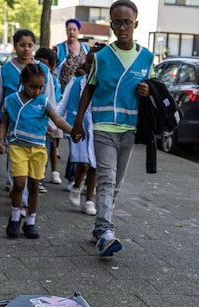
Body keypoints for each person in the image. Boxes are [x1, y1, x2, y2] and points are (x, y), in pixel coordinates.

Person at [72, 0, 152, 257]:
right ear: (111, 25)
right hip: (104, 126)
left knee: (116, 183)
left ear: (136, 24)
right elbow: (89, 88)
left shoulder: (147, 57)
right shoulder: (102, 57)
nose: (122, 27)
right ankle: (107, 232)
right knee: (106, 179)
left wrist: (148, 90)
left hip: (129, 128)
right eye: (117, 22)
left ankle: (99, 228)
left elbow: (156, 89)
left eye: (127, 22)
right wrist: (78, 123)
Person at [0, 63, 76, 240]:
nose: (37, 91)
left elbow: (57, 120)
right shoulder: (11, 100)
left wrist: (73, 131)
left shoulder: (44, 102)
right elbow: (4, 122)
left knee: (34, 186)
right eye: (33, 87)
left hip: (38, 149)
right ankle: (15, 217)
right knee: (18, 184)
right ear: (22, 82)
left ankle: (30, 221)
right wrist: (1, 140)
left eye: (41, 87)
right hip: (17, 147)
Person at [0, 30, 55, 197]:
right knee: (14, 153)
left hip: (36, 125)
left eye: (30, 45)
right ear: (15, 46)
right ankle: (16, 188)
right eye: (22, 45)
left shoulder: (43, 70)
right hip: (12, 124)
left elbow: (50, 98)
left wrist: (51, 125)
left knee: (34, 160)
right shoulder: (4, 71)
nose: (26, 49)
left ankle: (28, 190)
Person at [57, 57, 96, 216]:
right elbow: (63, 104)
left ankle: (89, 201)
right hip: (78, 126)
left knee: (95, 165)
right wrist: (53, 122)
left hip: (97, 126)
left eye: (95, 63)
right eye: (89, 62)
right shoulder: (76, 82)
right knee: (84, 163)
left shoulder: (105, 83)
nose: (91, 65)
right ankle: (77, 186)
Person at [34, 47, 63, 187]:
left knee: (48, 149)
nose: (40, 66)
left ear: (52, 67)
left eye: (43, 64)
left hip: (52, 119)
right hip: (37, 121)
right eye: (38, 62)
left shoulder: (54, 81)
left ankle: (42, 177)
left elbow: (53, 101)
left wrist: (52, 124)